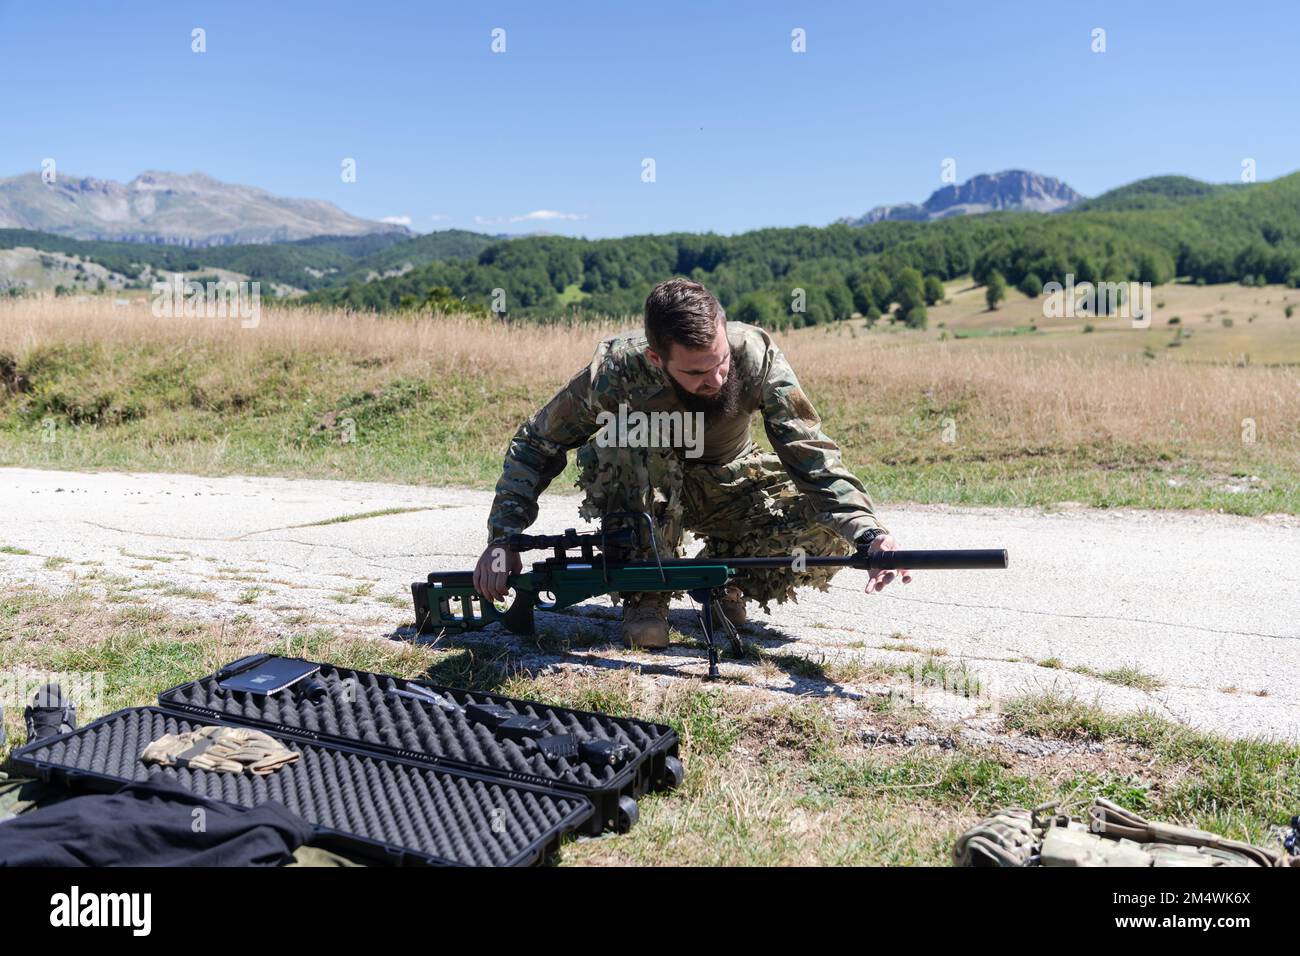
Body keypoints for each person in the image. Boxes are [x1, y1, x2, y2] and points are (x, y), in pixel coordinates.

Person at [473, 277, 910, 649]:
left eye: (720, 361)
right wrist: (503, 538)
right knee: (624, 438)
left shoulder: (755, 355)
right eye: (697, 373)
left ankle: (724, 578)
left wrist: (870, 534)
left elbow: (808, 449)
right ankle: (647, 591)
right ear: (656, 360)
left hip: (731, 483)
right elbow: (538, 440)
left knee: (826, 526)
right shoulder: (616, 372)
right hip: (647, 493)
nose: (716, 378)